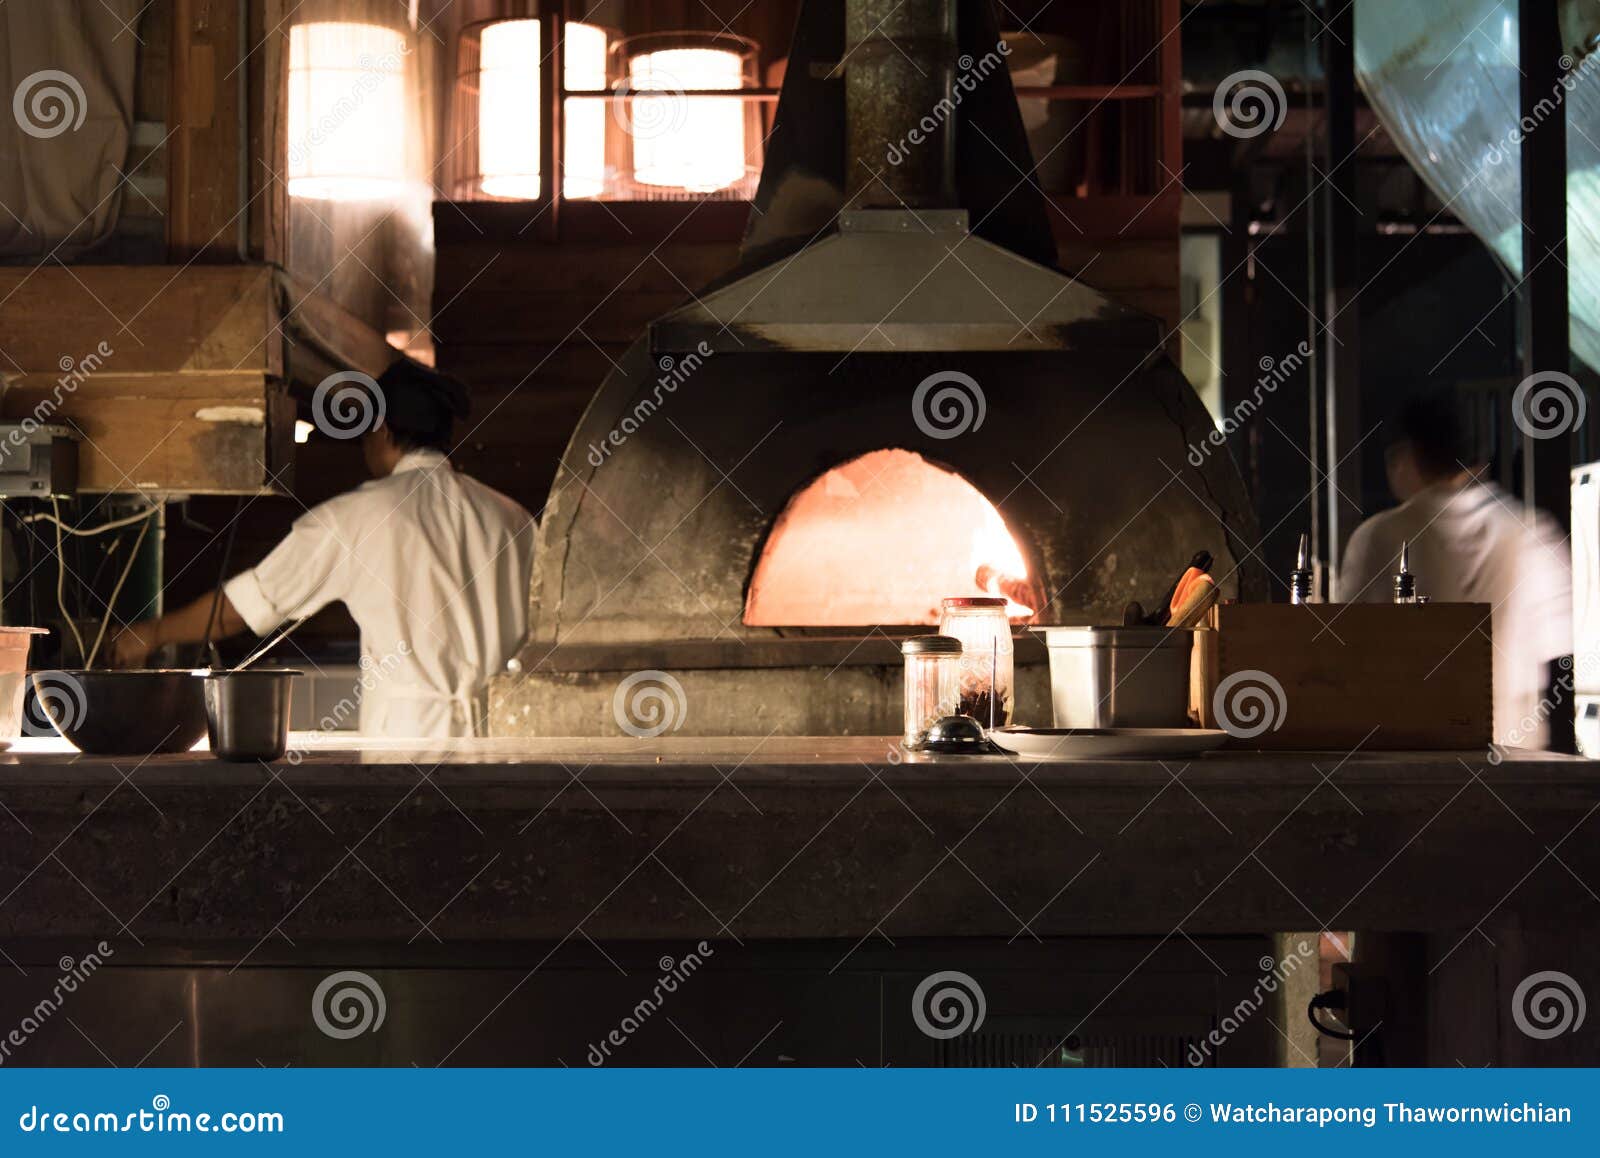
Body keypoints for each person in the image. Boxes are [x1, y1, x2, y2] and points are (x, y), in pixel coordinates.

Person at [108, 359, 537, 739]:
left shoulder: (358, 517)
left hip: (409, 748)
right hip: (502, 742)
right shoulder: (512, 519)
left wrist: (151, 633)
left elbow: (242, 608)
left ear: (382, 429)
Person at [1336, 393, 1571, 750]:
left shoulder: (1379, 538)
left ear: (1406, 458)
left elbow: (1343, 651)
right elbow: (1563, 645)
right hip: (1520, 765)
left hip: (1412, 763)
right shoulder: (1533, 532)